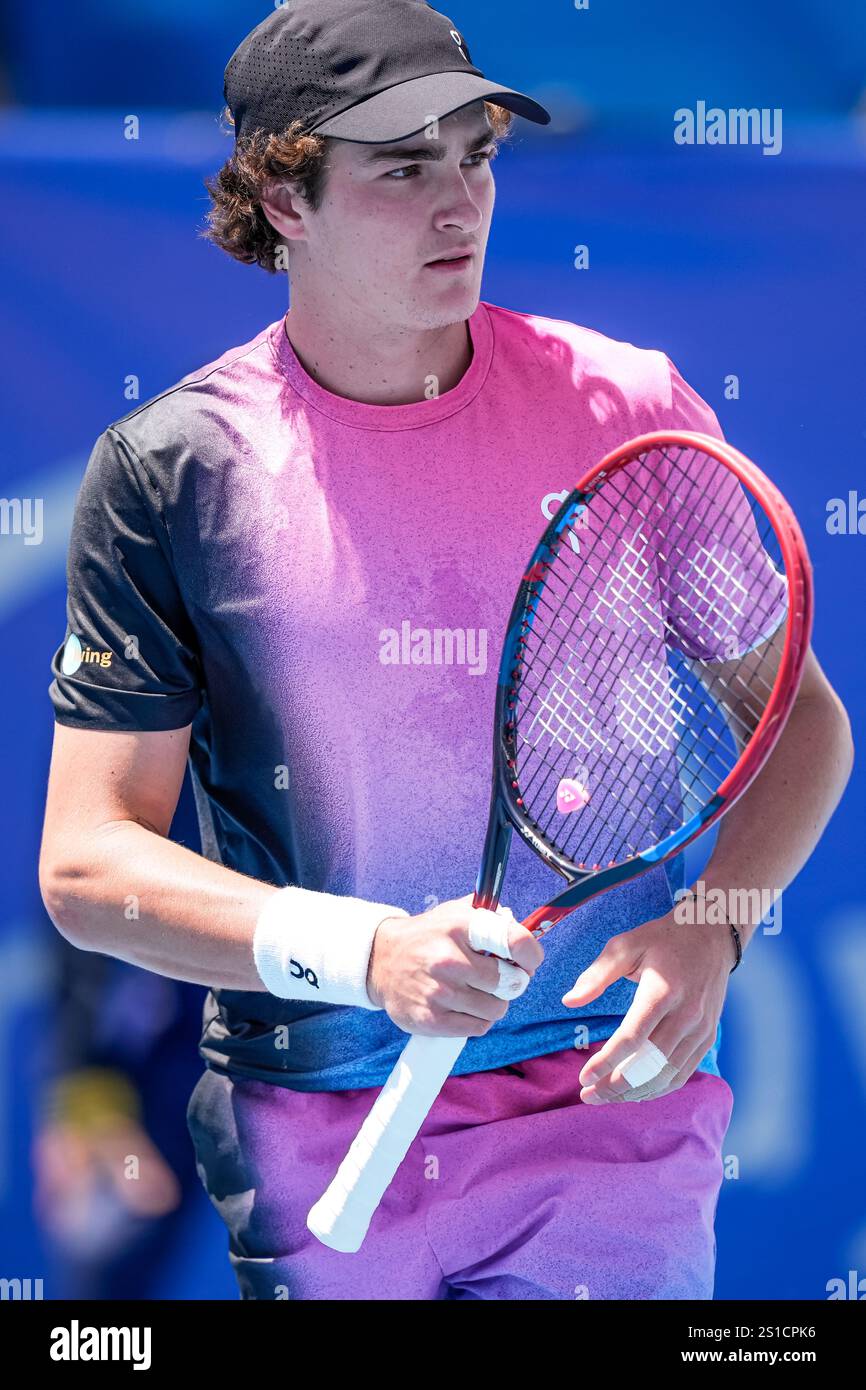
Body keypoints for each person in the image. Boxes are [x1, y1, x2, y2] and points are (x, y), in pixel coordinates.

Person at [39, 0, 852, 1300]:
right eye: (402, 165)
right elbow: (87, 863)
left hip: (607, 1107)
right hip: (315, 1132)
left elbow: (798, 723)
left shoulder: (625, 407)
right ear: (279, 195)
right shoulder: (171, 470)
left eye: (473, 153)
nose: (458, 200)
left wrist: (709, 926)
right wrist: (368, 955)